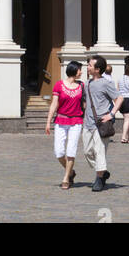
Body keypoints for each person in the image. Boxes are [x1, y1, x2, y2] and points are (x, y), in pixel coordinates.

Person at [82, 55, 125, 191]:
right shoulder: (87, 83)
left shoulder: (106, 83)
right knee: (87, 152)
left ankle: (99, 179)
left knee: (99, 152)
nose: (87, 67)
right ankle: (103, 171)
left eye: (90, 65)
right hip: (87, 123)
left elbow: (119, 98)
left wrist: (111, 114)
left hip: (101, 124)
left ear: (97, 69)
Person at [45, 61, 85, 189]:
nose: (81, 72)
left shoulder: (82, 86)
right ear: (74, 70)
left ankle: (66, 178)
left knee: (71, 151)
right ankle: (72, 172)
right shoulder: (59, 85)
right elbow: (54, 104)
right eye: (79, 69)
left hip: (76, 121)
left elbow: (85, 104)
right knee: (59, 152)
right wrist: (48, 121)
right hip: (61, 121)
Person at [117, 64, 129, 143]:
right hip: (128, 99)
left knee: (126, 119)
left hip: (121, 99)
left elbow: (117, 90)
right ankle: (124, 137)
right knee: (127, 119)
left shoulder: (120, 78)